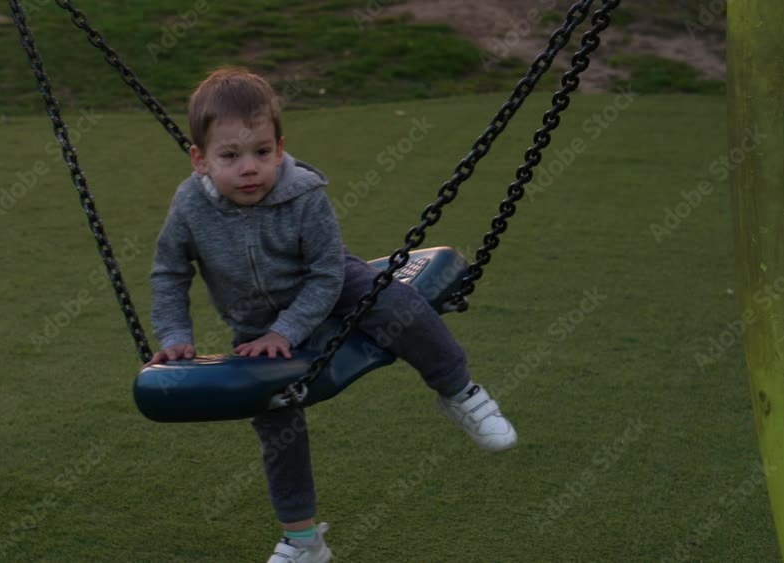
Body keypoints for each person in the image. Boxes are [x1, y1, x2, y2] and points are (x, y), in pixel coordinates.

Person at [146, 66, 517, 563]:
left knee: (397, 301)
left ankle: (459, 391)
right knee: (275, 418)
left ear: (280, 148)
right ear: (200, 160)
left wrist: (288, 330)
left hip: (337, 285)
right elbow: (169, 271)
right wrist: (174, 334)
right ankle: (303, 541)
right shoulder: (190, 206)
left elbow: (325, 275)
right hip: (255, 320)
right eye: (230, 156)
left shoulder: (304, 194)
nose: (250, 168)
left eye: (262, 152)